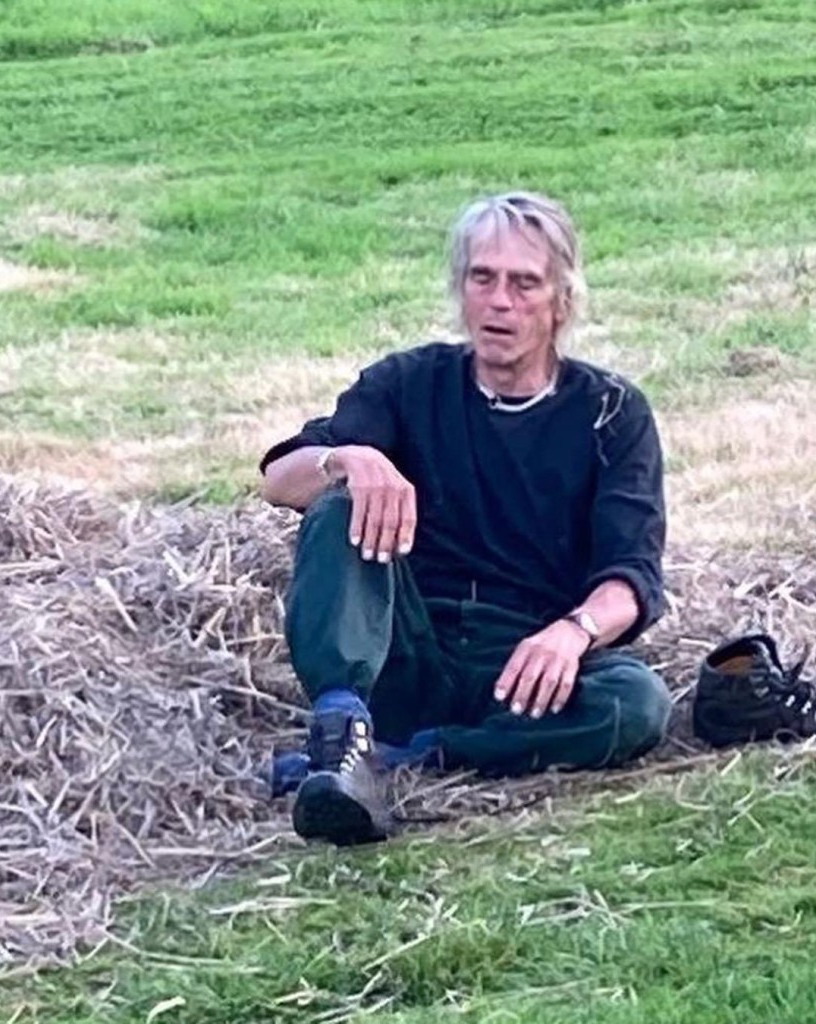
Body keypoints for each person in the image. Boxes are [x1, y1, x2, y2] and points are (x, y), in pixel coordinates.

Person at [259, 191, 673, 846]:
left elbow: (633, 578)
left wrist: (573, 633)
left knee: (638, 702)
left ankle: (411, 756)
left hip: (522, 670)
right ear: (461, 288)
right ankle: (340, 730)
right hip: (402, 652)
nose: (499, 301)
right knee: (340, 501)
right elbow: (278, 481)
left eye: (524, 283)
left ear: (562, 300)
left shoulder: (611, 413)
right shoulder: (406, 384)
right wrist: (345, 459)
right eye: (483, 278)